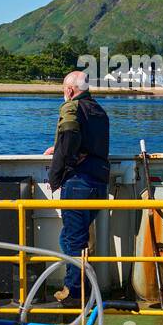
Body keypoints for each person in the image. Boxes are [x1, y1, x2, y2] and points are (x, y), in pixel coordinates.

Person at [43, 70, 110, 303]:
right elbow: (87, 141)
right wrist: (59, 147)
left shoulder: (71, 107)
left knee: (73, 240)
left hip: (79, 183)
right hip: (98, 183)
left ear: (70, 90)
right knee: (73, 238)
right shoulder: (99, 110)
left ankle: (74, 292)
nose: (64, 94)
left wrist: (63, 163)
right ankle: (83, 288)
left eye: (64, 90)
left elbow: (70, 133)